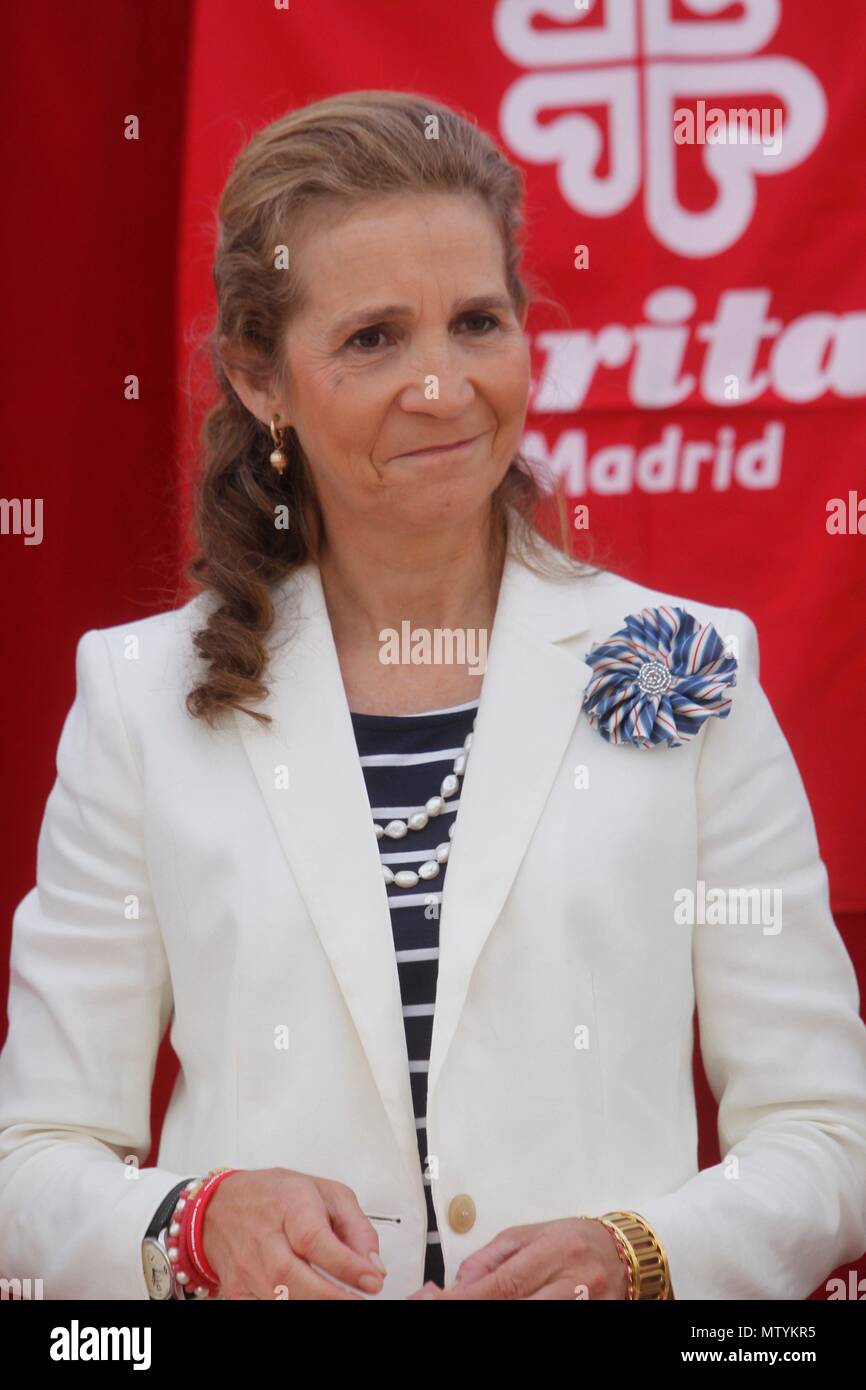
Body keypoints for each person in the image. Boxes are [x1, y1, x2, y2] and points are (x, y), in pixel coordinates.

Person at [1, 91, 865, 1302]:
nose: (442, 386)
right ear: (261, 382)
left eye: (475, 322)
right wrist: (196, 1225)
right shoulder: (135, 699)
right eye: (371, 339)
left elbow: (828, 1132)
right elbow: (29, 1163)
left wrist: (643, 1254)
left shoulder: (690, 665)